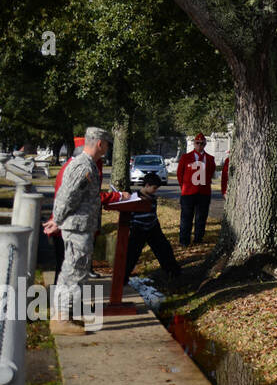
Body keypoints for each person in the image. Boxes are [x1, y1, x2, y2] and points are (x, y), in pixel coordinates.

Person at [43, 127, 127, 335]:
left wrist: (58, 220)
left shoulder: (86, 164)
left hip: (80, 228)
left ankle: (63, 316)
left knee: (72, 273)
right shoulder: (83, 166)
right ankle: (62, 320)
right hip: (77, 229)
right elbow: (66, 196)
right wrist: (58, 220)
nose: (107, 148)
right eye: (107, 144)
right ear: (100, 144)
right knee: (74, 273)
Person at [123, 172, 183, 283]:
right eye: (154, 188)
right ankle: (123, 277)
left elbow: (153, 214)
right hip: (138, 229)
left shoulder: (153, 198)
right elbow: (129, 216)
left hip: (153, 227)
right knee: (132, 254)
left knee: (164, 249)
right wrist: (132, 227)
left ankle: (173, 272)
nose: (155, 190)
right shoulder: (134, 198)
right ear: (146, 185)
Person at [177, 132, 217, 246]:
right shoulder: (186, 157)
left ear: (205, 144)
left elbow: (211, 173)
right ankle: (184, 240)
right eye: (197, 143)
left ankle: (198, 238)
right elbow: (180, 174)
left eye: (202, 143)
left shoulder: (210, 158)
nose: (199, 145)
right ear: (194, 143)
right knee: (186, 218)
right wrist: (184, 187)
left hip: (204, 193)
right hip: (188, 193)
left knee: (201, 217)